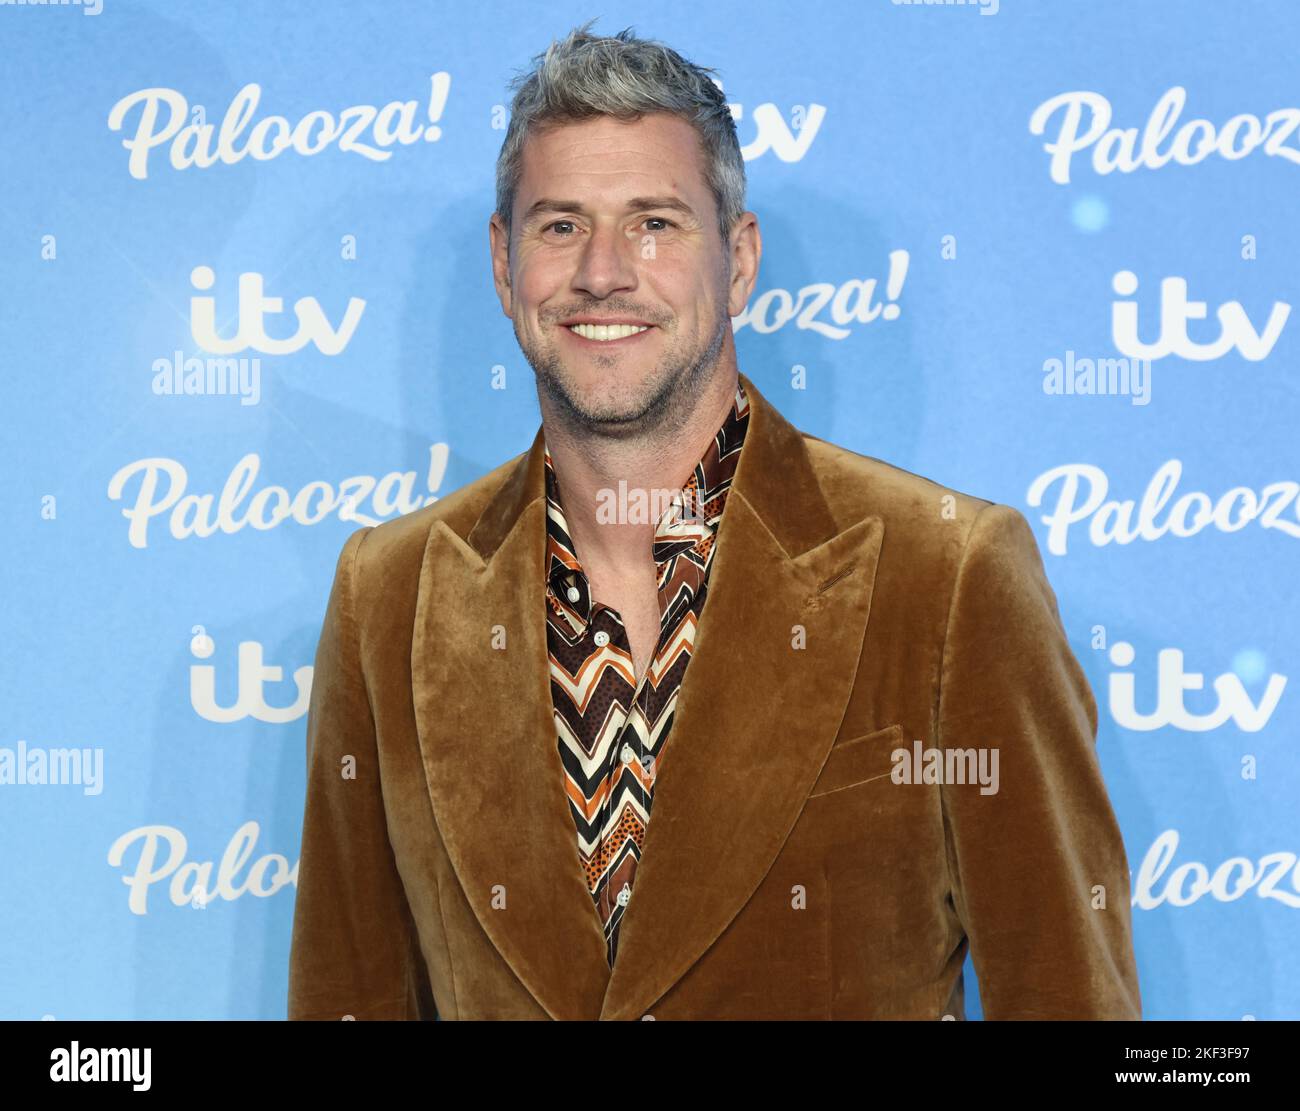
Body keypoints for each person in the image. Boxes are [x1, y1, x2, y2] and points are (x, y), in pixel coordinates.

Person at [287, 20, 1141, 1020]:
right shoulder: (386, 597)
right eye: (560, 225)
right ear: (503, 261)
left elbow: (1069, 1001)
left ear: (736, 260)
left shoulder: (945, 576)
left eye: (654, 222)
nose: (603, 270)